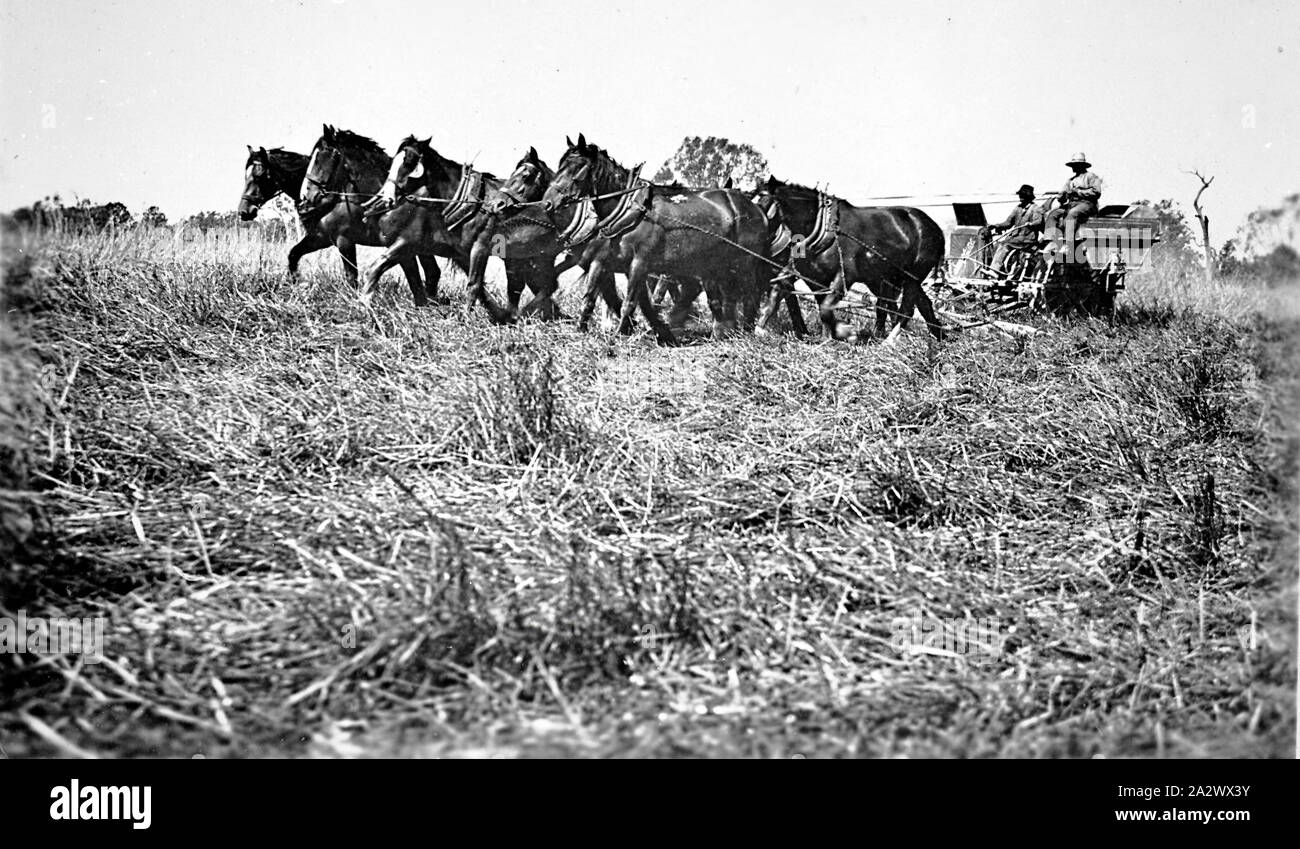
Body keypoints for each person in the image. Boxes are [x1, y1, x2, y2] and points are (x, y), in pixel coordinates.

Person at [1043, 153, 1103, 257]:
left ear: (1082, 165)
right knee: (1053, 214)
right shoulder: (1070, 181)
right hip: (1072, 204)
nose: (1073, 167)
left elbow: (1096, 192)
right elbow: (1063, 196)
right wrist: (1061, 197)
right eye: (1073, 165)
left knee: (1072, 214)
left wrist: (1077, 192)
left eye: (1076, 165)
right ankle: (1051, 241)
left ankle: (1068, 245)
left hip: (1088, 204)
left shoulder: (1091, 177)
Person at [981, 184, 1043, 277]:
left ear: (1028, 197)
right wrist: (996, 225)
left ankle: (994, 270)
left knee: (1004, 244)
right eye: (1020, 195)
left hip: (1028, 239)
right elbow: (1008, 223)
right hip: (1017, 238)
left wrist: (1031, 224)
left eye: (1023, 195)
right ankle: (1002, 272)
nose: (1020, 197)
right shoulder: (1018, 208)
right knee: (999, 244)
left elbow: (1038, 222)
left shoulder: (1036, 209)